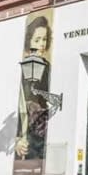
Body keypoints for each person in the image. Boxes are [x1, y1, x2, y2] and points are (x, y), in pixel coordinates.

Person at [16, 16, 52, 159]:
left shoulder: (48, 67)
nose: (42, 44)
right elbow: (21, 104)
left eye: (44, 39)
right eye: (37, 40)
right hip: (29, 135)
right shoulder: (25, 67)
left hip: (43, 130)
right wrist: (19, 137)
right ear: (28, 42)